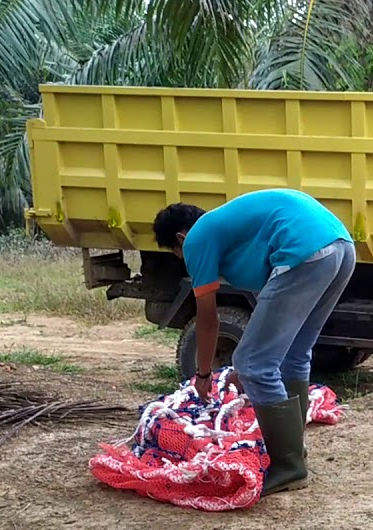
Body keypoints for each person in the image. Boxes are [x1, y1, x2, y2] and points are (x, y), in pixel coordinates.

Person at [153, 188, 357, 494]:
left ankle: (289, 467)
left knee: (253, 364)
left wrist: (204, 375)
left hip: (305, 251)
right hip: (341, 247)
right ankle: (294, 451)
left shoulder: (197, 238)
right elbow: (271, 306)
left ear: (180, 239)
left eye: (177, 255)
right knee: (293, 354)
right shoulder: (232, 229)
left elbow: (207, 317)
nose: (185, 261)